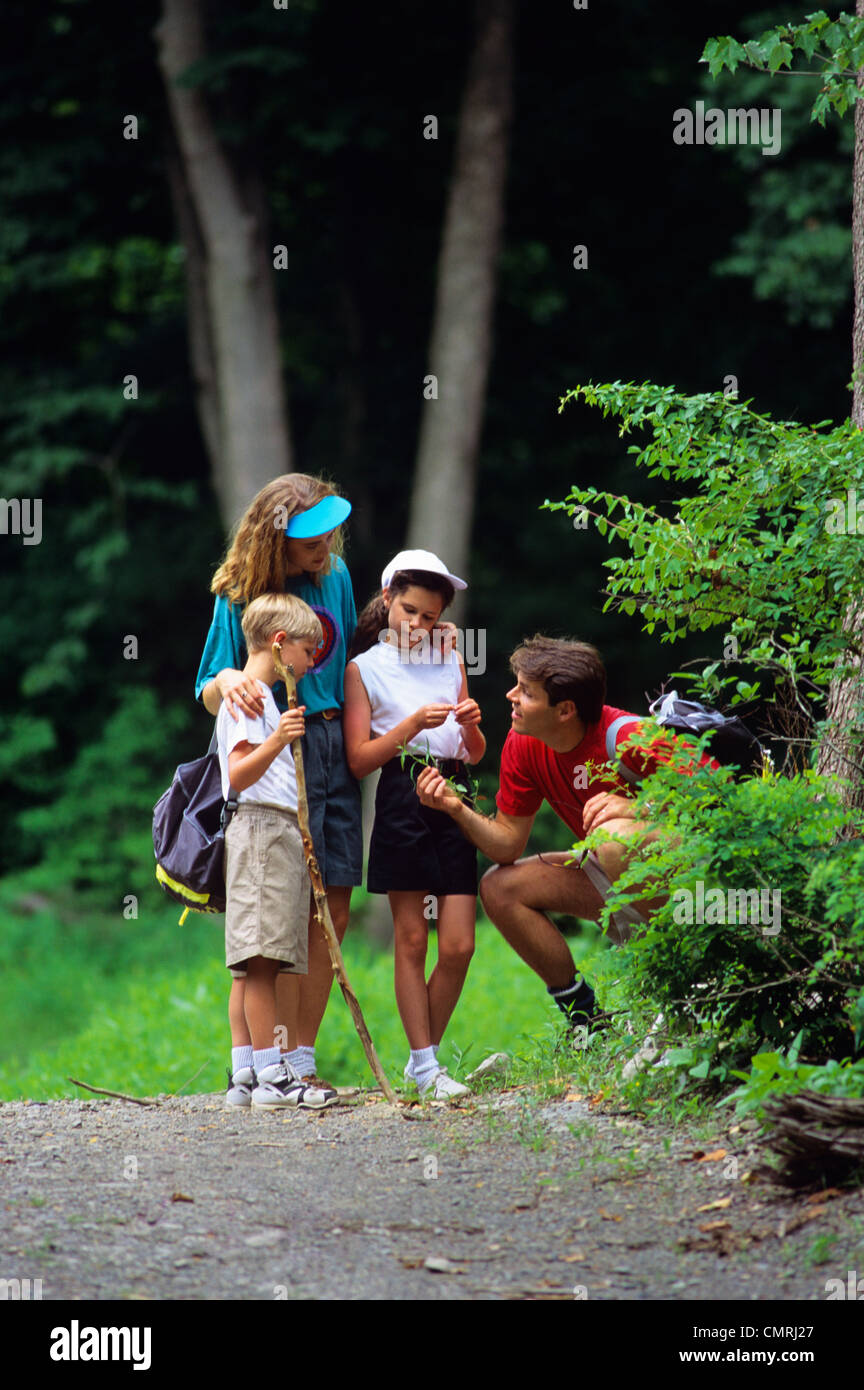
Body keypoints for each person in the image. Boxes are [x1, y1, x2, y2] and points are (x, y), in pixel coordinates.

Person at [197, 474, 361, 1096]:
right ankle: (275, 1062)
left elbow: (345, 661)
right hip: (275, 744)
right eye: (310, 540)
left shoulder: (336, 577)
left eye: (329, 534)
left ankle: (301, 1055)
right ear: (277, 539)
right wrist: (231, 682)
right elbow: (208, 685)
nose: (324, 549)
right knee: (286, 910)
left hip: (330, 741)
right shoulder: (239, 592)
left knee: (334, 905)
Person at [415, 635, 669, 1031]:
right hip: (614, 871)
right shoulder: (524, 743)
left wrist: (642, 808)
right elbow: (507, 844)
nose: (510, 695)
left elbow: (724, 799)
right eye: (517, 684)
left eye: (526, 692)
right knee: (500, 887)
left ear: (565, 710)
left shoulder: (628, 736)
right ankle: (587, 1022)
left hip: (694, 883)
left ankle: (676, 979)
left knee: (614, 838)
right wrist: (456, 808)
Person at [342, 550, 486, 1100]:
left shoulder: (450, 658)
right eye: (408, 610)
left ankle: (420, 1063)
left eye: (429, 616)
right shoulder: (364, 669)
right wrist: (407, 726)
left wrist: (472, 727)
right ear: (387, 601)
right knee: (410, 937)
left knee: (460, 945)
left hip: (454, 793)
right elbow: (359, 760)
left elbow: (472, 752)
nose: (417, 625)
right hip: (403, 794)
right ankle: (426, 1065)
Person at [216, 592, 337, 1109]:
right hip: (262, 829)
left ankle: (244, 1072)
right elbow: (239, 773)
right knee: (261, 960)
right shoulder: (251, 698)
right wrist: (279, 739)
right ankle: (272, 1075)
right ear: (280, 643)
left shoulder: (266, 696)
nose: (312, 663)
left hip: (277, 830)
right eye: (309, 652)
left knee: (251, 962)